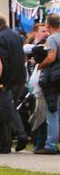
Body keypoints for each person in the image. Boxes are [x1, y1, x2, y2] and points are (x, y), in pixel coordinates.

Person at [0, 13, 29, 151]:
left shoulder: (0, 38)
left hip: (9, 78)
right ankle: (13, 137)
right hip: (21, 75)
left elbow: (2, 60)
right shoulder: (17, 36)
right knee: (13, 106)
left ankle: (19, 134)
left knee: (9, 108)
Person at [35, 12, 60, 154]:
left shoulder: (52, 39)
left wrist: (40, 65)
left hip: (55, 78)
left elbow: (51, 57)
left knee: (52, 111)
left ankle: (51, 145)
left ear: (48, 25)